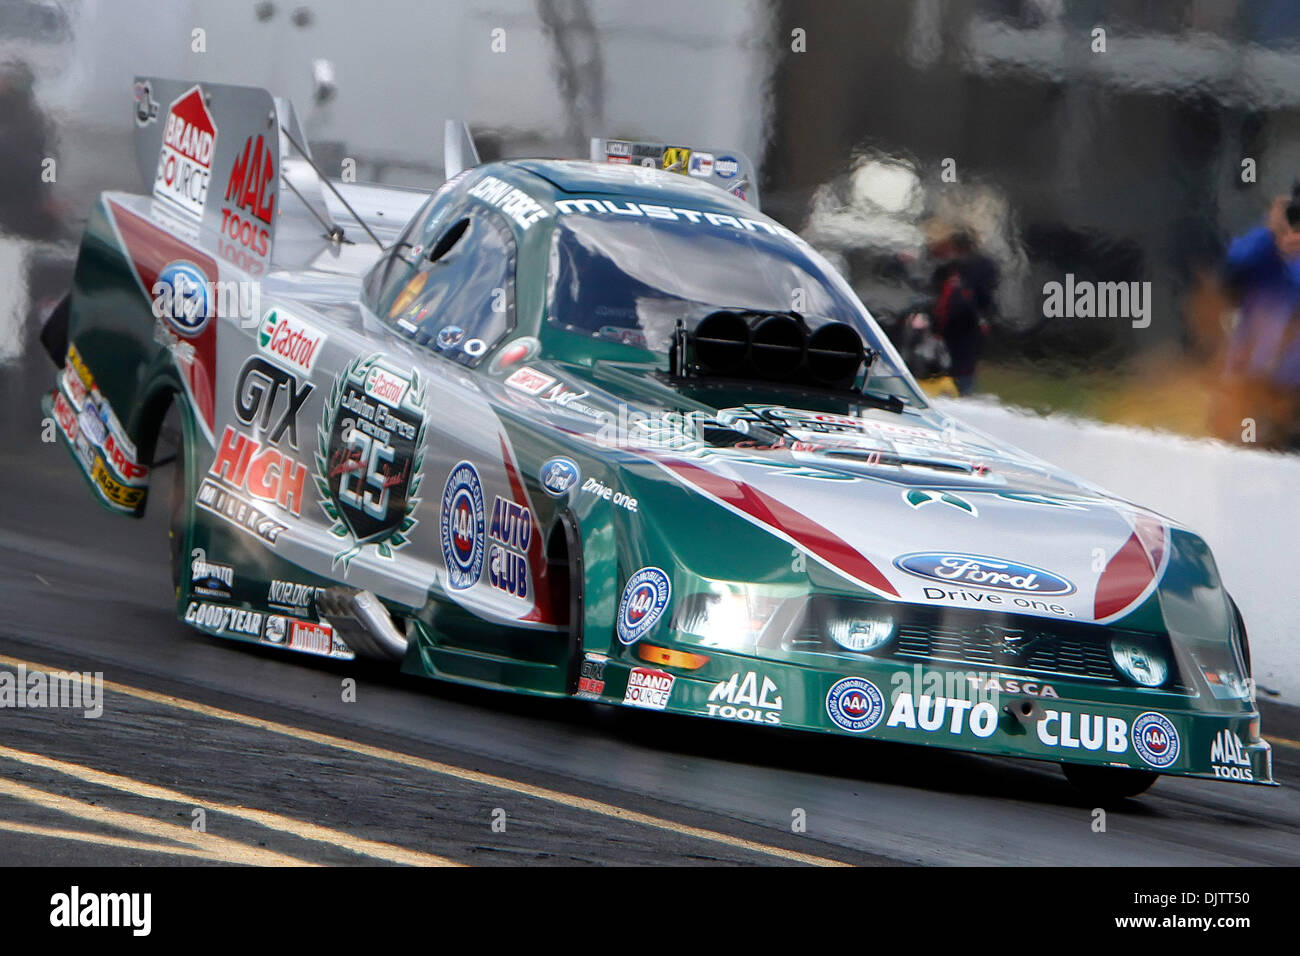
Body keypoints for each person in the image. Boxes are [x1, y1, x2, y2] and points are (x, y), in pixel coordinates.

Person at [1218, 194, 1300, 448]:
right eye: (1286, 229)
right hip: (1248, 383)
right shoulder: (1261, 258)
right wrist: (1269, 230)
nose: (1292, 238)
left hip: (1290, 391)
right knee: (1240, 453)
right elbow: (1232, 265)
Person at [929, 230, 999, 396]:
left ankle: (964, 395)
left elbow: (983, 298)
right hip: (947, 331)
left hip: (965, 329)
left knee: (963, 371)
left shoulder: (978, 267)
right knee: (946, 369)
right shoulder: (948, 268)